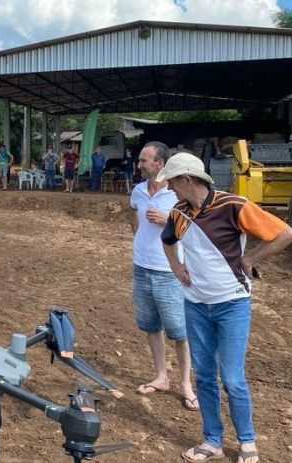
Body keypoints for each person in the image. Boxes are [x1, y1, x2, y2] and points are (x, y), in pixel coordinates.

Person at [157, 152, 292, 463]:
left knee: (232, 378)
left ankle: (247, 442)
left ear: (188, 180)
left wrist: (250, 259)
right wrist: (176, 266)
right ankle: (212, 441)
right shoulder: (179, 212)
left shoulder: (233, 205)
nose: (169, 189)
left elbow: (286, 234)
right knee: (205, 375)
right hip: (196, 304)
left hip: (232, 303)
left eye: (172, 183)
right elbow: (168, 241)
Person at [127, 142, 198, 414]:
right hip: (141, 268)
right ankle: (161, 376)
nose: (139, 164)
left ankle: (186, 385)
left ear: (160, 163)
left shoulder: (178, 193)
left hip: (169, 271)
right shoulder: (138, 191)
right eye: (140, 160)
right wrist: (137, 236)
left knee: (180, 333)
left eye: (144, 160)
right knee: (150, 326)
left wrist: (168, 220)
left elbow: (196, 224)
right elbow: (131, 210)